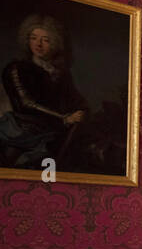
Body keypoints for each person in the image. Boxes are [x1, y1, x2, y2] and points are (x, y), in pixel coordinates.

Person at [0, 15, 87, 169]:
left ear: (55, 43)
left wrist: (81, 111)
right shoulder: (17, 68)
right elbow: (26, 104)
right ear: (27, 40)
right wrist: (64, 119)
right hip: (22, 129)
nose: (38, 44)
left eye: (46, 40)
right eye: (34, 38)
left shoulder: (61, 73)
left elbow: (75, 99)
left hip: (53, 129)